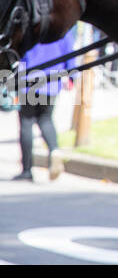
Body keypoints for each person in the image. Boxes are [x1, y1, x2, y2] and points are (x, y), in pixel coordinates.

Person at [12, 27, 75, 181]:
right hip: (52, 82)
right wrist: (72, 76)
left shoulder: (30, 29)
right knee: (46, 119)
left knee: (26, 122)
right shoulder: (62, 28)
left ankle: (27, 170)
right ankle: (54, 150)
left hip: (28, 81)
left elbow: (15, 54)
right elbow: (70, 53)